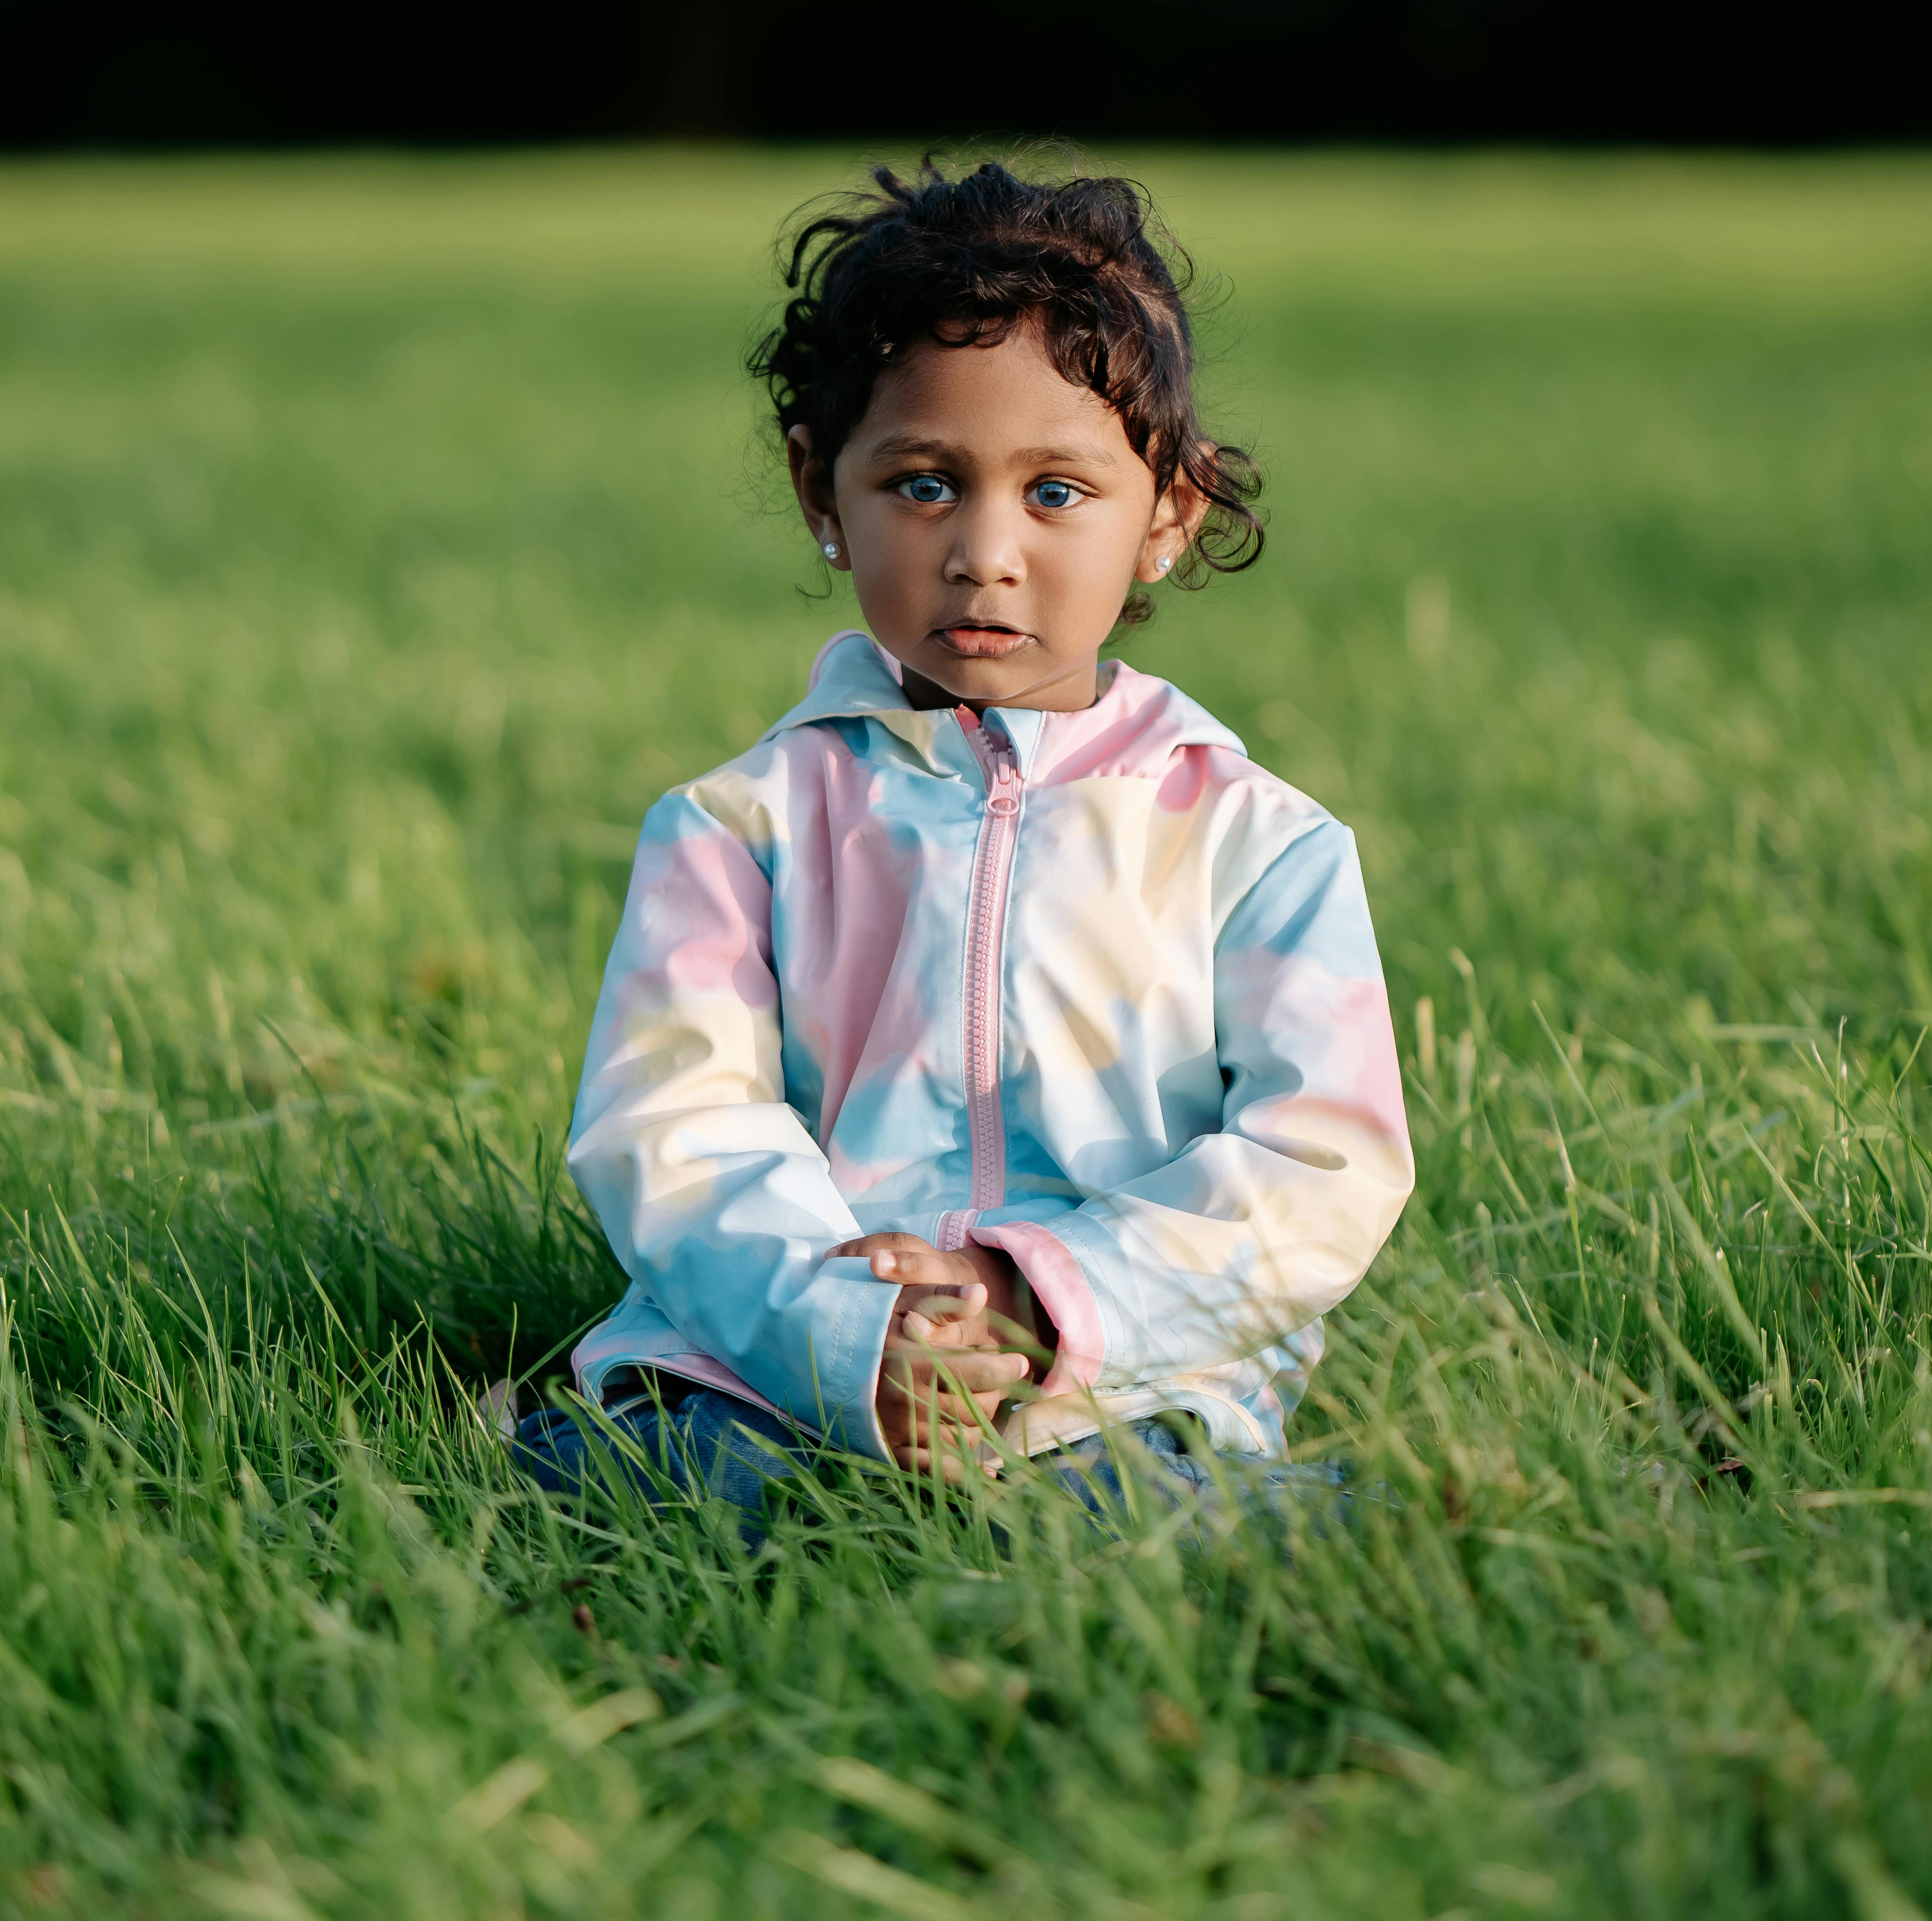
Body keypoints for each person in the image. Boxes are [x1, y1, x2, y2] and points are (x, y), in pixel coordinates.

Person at [512, 160, 1413, 1536]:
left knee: (1130, 1521)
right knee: (660, 1491)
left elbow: (1318, 1163)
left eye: (1059, 494)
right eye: (925, 483)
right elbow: (673, 1129)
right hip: (774, 1368)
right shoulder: (737, 828)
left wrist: (1039, 1301)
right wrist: (848, 1332)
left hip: (1119, 1377)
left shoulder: (1257, 841)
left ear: (1169, 510)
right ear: (824, 492)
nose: (985, 552)